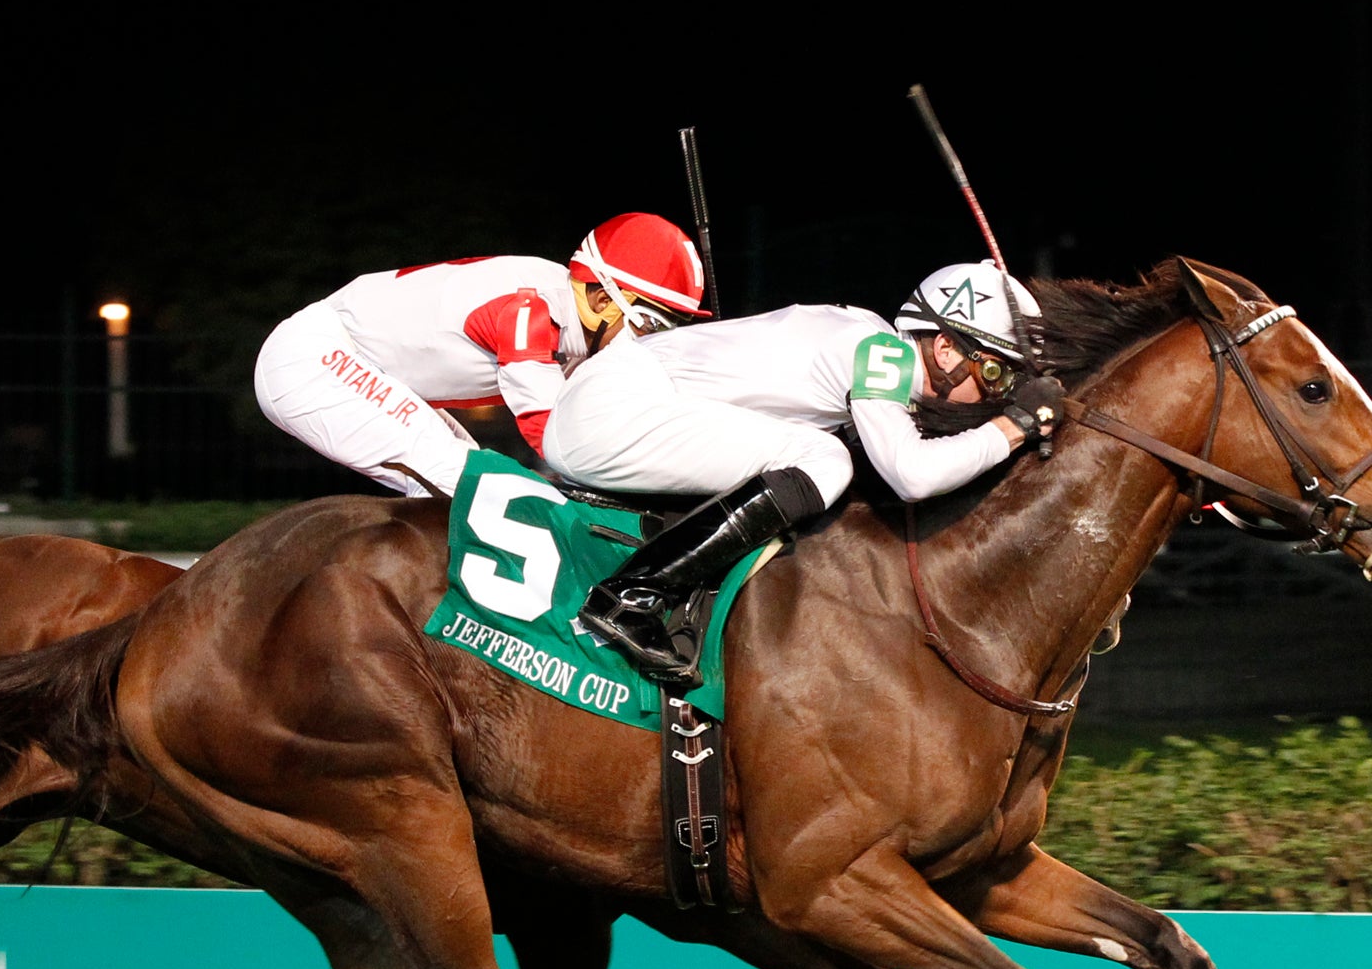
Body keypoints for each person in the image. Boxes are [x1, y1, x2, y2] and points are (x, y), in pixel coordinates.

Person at [543, 260, 1062, 680]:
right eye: (994, 373)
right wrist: (1013, 427)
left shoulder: (868, 343)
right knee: (825, 459)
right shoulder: (882, 353)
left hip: (615, 404)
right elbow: (914, 476)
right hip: (606, 411)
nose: (993, 396)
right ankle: (629, 598)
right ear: (946, 348)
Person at [253, 214, 708, 497]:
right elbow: (558, 441)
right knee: (472, 486)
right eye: (650, 324)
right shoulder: (531, 311)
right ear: (603, 301)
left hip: (353, 363)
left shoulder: (572, 317)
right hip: (315, 360)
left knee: (479, 481)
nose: (651, 342)